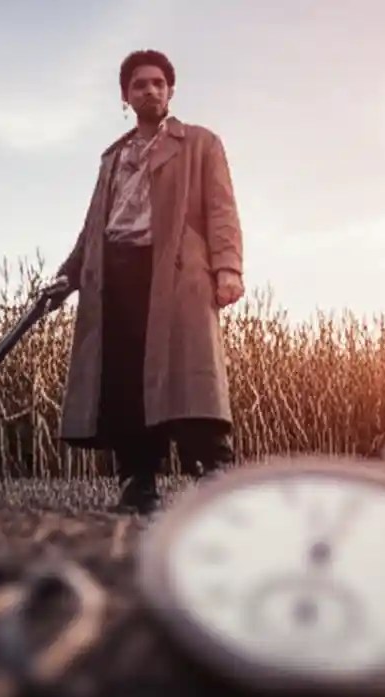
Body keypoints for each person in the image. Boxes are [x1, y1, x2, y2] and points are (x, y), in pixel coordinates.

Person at [51, 49, 245, 514]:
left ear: (170, 91)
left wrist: (228, 266)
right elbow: (95, 225)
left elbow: (221, 208)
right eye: (140, 84)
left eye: (159, 83)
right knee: (125, 382)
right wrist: (69, 273)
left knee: (190, 375)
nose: (150, 90)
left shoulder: (199, 143)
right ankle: (138, 484)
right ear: (126, 96)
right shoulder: (113, 157)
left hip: (174, 272)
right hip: (116, 273)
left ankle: (214, 475)